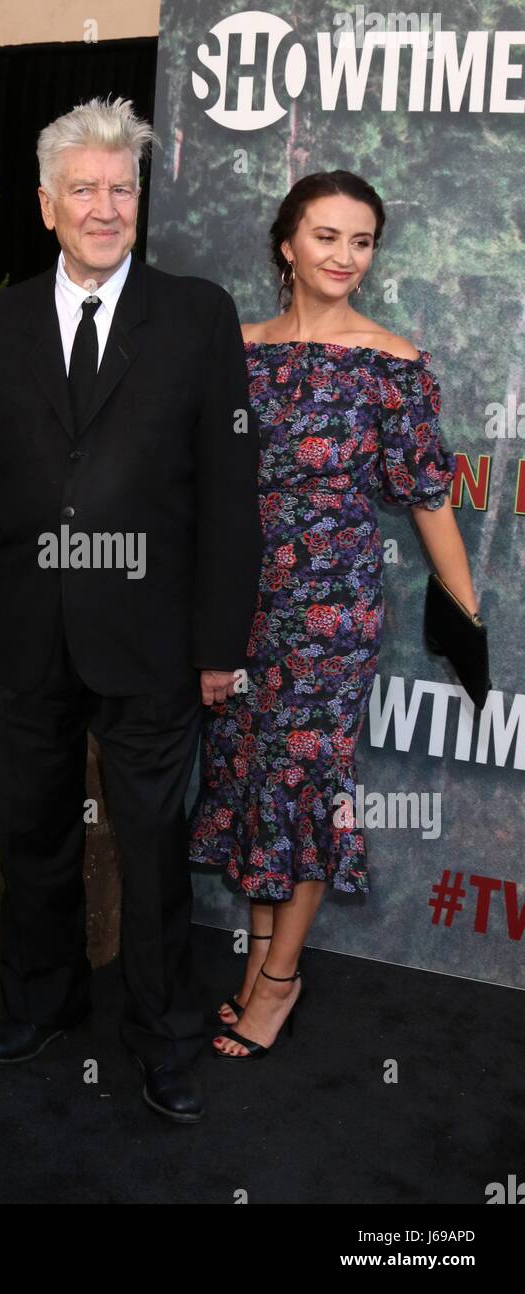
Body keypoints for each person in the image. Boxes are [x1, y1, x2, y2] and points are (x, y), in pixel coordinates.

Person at [0, 96, 262, 1121]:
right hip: (19, 630)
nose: (105, 207)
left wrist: (218, 643)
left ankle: (161, 1036)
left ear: (137, 202)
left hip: (153, 640)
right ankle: (44, 1001)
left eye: (121, 188)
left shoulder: (197, 316)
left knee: (154, 849)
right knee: (33, 833)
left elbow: (228, 493)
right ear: (45, 204)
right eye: (84, 189)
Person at [188, 170, 478, 1059]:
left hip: (331, 616)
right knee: (251, 779)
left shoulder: (393, 363)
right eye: (326, 237)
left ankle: (277, 978)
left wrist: (466, 612)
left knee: (304, 786)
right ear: (287, 244)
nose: (344, 256)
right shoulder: (233, 349)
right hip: (239, 605)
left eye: (361, 241)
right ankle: (261, 961)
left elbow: (429, 499)